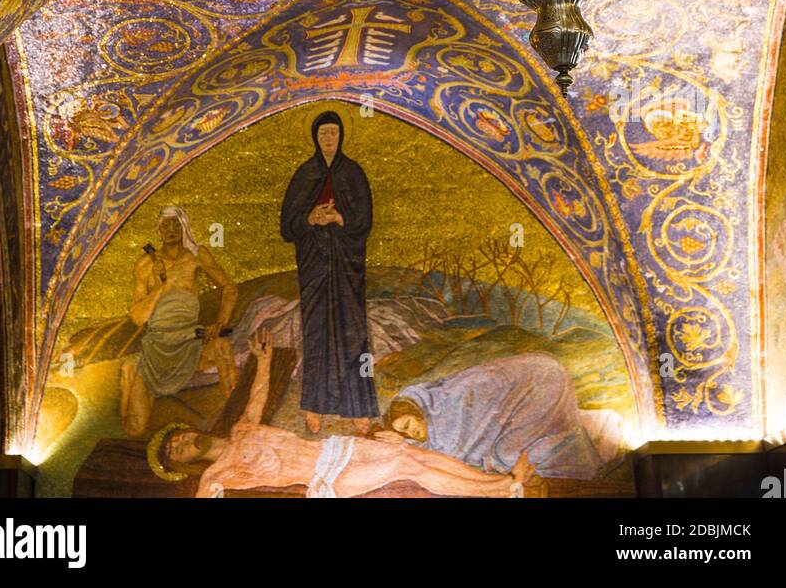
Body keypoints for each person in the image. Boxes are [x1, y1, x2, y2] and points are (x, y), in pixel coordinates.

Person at [149, 331, 522, 498]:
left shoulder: (243, 429)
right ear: (186, 464)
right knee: (406, 467)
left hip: (334, 450)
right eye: (176, 451)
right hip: (328, 476)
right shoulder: (217, 472)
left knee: (411, 454)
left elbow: (258, 395)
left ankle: (504, 482)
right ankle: (507, 492)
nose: (180, 443)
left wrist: (263, 360)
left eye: (176, 437)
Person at [280, 111, 378, 433]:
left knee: (353, 334)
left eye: (333, 133)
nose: (328, 139)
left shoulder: (353, 173)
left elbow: (363, 221)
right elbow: (288, 227)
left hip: (347, 266)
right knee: (317, 333)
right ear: (315, 137)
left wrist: (339, 219)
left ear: (341, 135)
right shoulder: (304, 174)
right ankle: (314, 406)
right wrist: (311, 218)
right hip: (315, 265)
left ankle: (360, 408)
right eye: (323, 134)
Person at [381, 352, 603, 483]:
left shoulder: (452, 400)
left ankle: (572, 451)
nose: (412, 433)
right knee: (510, 456)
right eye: (405, 433)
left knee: (509, 455)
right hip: (517, 401)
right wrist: (405, 442)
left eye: (409, 425)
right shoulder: (430, 422)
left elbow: (456, 447)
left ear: (418, 412)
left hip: (541, 382)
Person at [119, 206, 238, 437]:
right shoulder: (145, 264)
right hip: (157, 344)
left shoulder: (196, 256)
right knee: (135, 428)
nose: (171, 229)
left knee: (222, 347)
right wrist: (160, 287)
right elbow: (137, 316)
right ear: (159, 231)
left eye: (176, 224)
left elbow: (230, 288)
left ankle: (234, 419)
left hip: (190, 339)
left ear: (184, 228)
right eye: (166, 225)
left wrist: (220, 323)